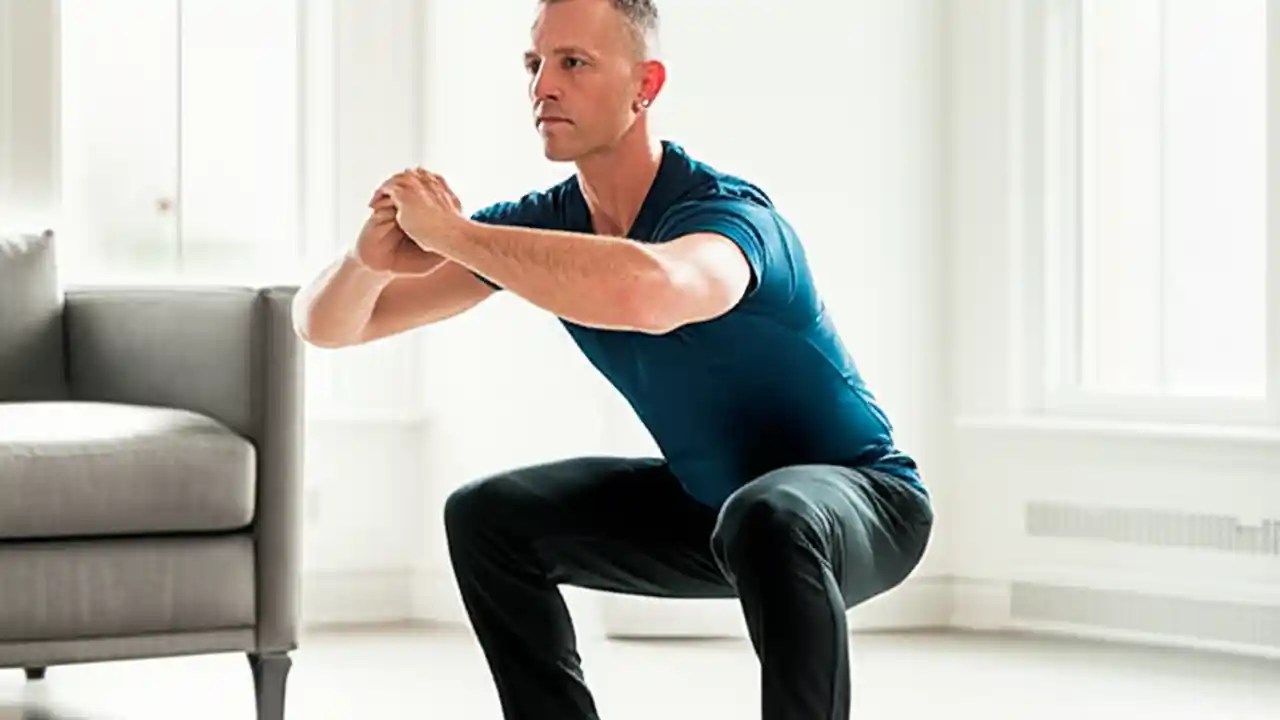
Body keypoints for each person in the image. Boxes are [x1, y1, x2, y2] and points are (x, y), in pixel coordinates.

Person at [293, 0, 934, 717]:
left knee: (768, 516)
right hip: (715, 509)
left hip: (863, 502)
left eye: (573, 63)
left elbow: (652, 293)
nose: (543, 87)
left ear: (645, 86)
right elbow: (331, 324)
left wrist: (453, 235)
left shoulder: (729, 216)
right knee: (487, 519)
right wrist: (366, 259)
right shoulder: (541, 225)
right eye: (534, 64)